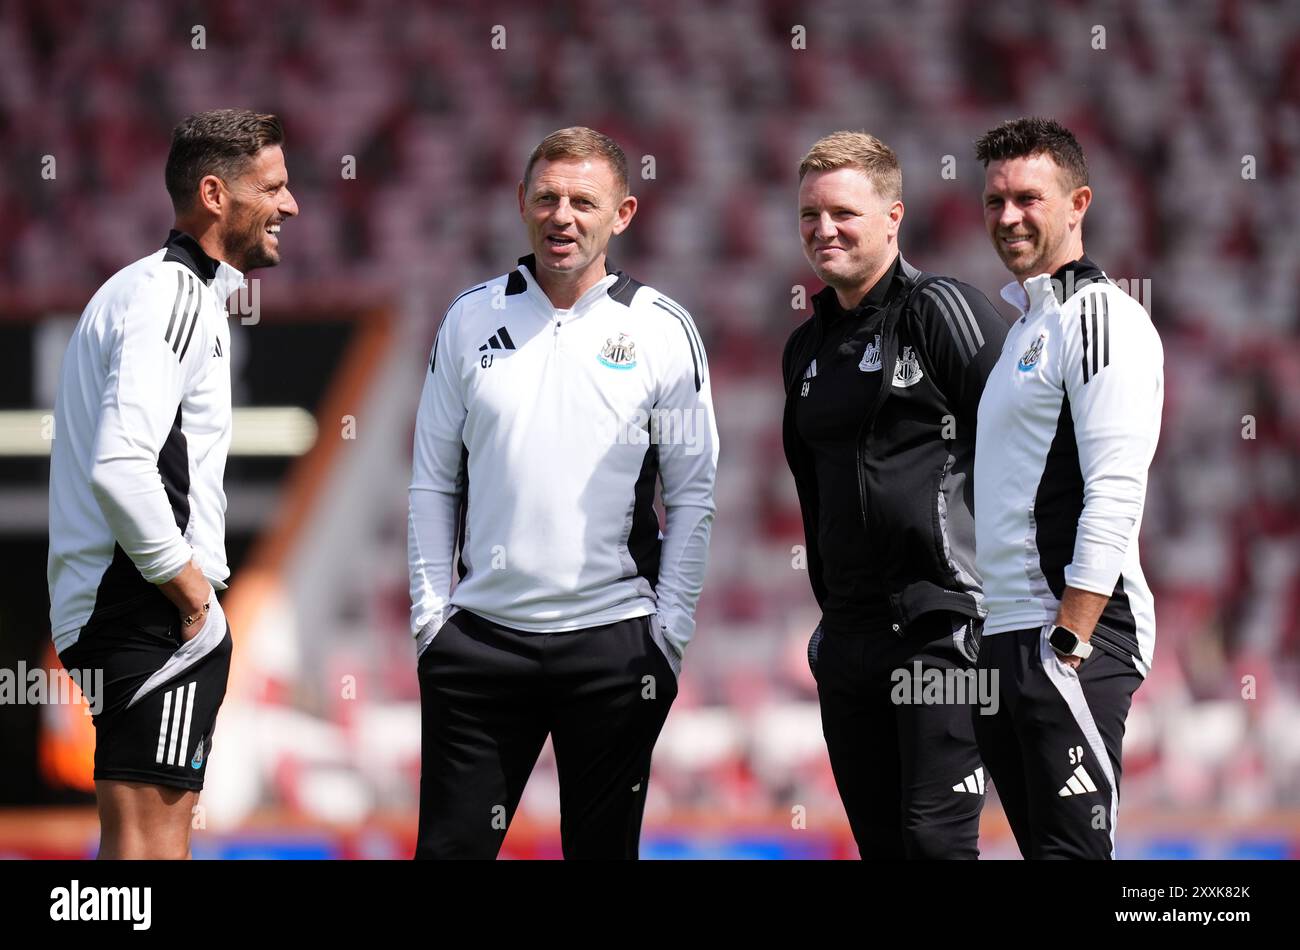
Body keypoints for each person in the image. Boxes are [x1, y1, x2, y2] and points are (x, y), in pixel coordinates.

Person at [408, 126, 718, 859]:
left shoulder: (663, 329)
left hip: (615, 644)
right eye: (547, 198)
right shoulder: (468, 319)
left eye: (584, 201)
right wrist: (430, 621)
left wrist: (668, 634)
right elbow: (431, 482)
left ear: (623, 213)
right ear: (521, 201)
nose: (563, 216)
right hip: (480, 642)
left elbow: (693, 495)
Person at [48, 109, 298, 858]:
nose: (290, 206)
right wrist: (194, 600)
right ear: (215, 195)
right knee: (149, 853)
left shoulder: (147, 290)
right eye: (272, 188)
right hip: (145, 607)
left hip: (127, 605)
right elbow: (122, 466)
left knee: (141, 850)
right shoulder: (174, 295)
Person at [781, 132, 1007, 858]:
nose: (824, 229)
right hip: (848, 639)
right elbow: (812, 491)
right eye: (810, 214)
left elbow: (1026, 448)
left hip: (941, 628)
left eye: (843, 213)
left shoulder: (941, 309)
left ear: (893, 217)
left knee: (935, 844)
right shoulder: (804, 348)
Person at [972, 117, 1164, 859]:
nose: (1009, 216)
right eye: (995, 200)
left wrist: (1069, 639)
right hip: (1009, 639)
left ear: (1079, 203)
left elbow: (1116, 488)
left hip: (1069, 636)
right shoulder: (1024, 329)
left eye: (1029, 198)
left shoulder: (1102, 316)